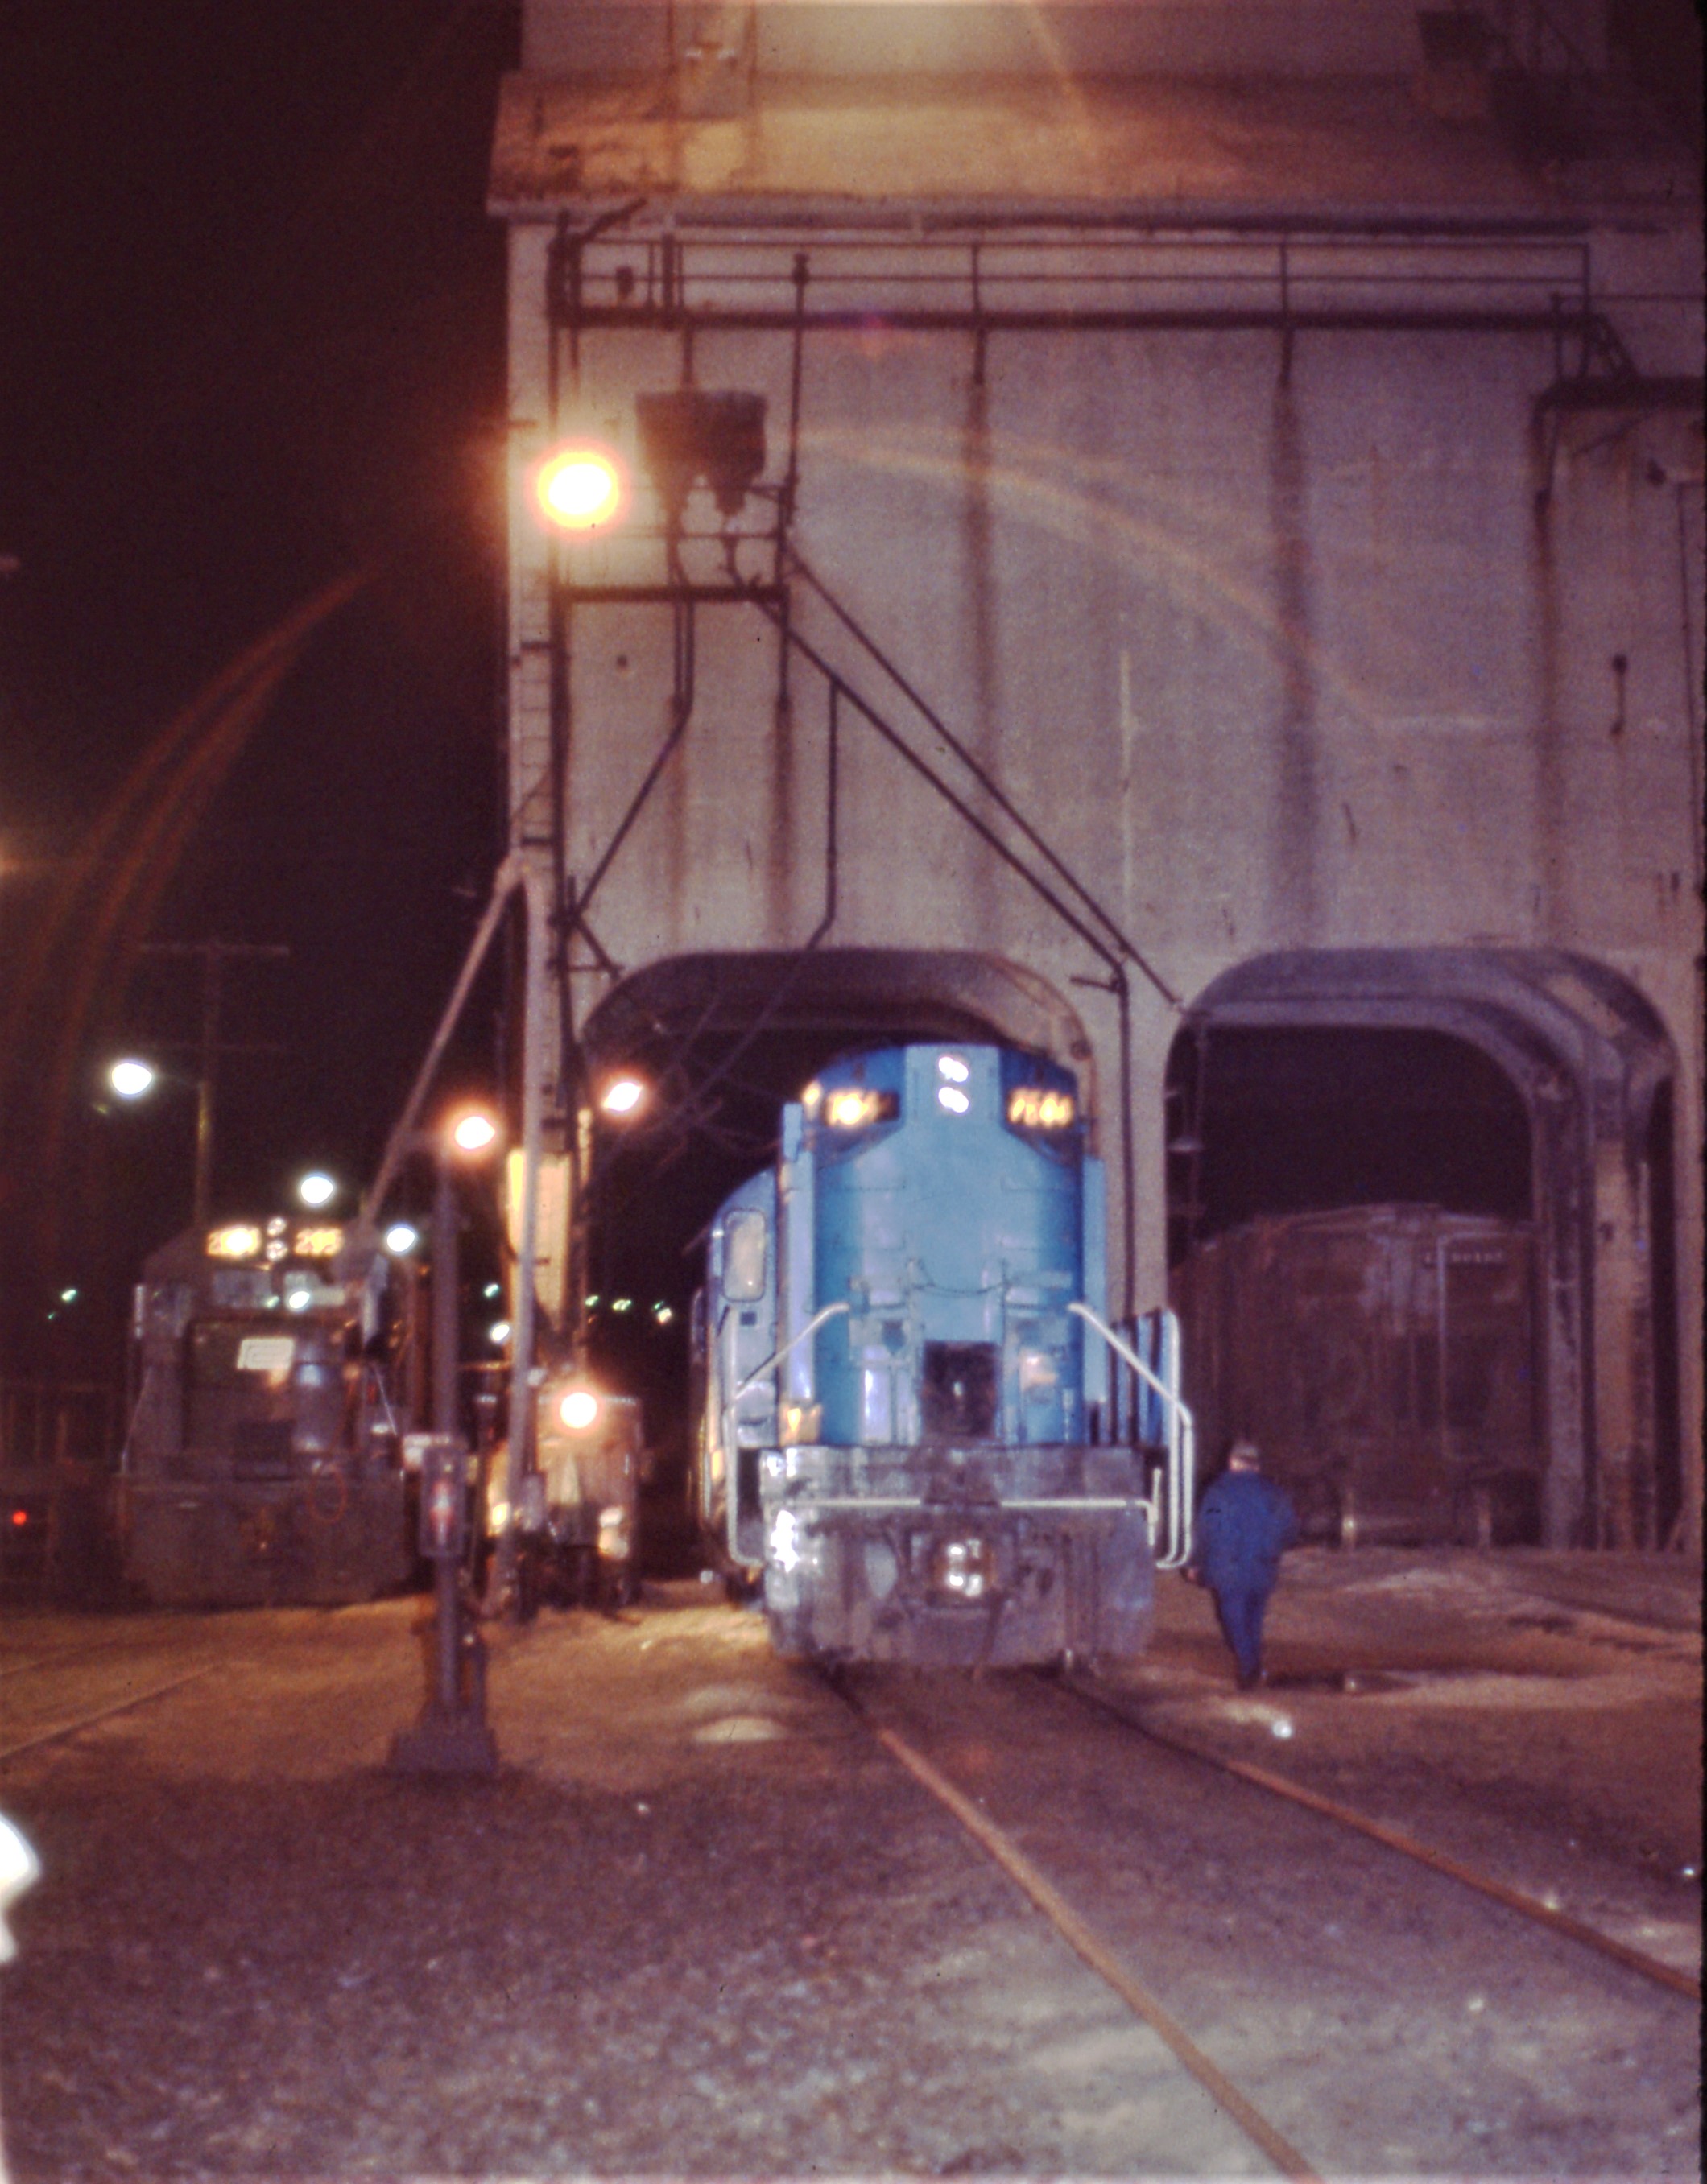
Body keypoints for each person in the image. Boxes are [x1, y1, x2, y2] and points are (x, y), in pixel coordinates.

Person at [1184, 1439, 1299, 1689]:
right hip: (1263, 1567)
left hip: (1228, 1568)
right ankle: (1253, 1661)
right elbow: (1290, 1531)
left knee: (1233, 1618)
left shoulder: (1217, 1492)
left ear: (1233, 1462)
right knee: (1254, 1617)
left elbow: (1205, 1531)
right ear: (1256, 1465)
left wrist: (1195, 1563)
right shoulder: (1274, 1493)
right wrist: (1272, 1547)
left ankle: (1249, 1666)